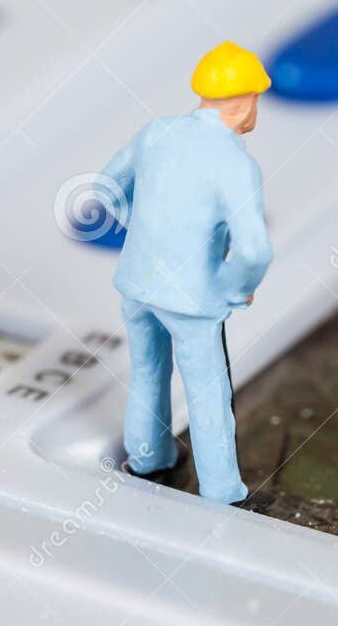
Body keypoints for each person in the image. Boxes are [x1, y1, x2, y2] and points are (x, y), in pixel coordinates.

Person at [101, 41, 273, 503]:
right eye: (257, 99)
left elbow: (105, 187)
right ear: (244, 103)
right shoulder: (235, 164)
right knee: (207, 396)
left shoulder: (157, 132)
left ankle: (148, 459)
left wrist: (139, 233)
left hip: (136, 284)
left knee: (146, 372)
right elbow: (255, 249)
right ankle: (221, 492)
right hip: (193, 301)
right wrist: (236, 289)